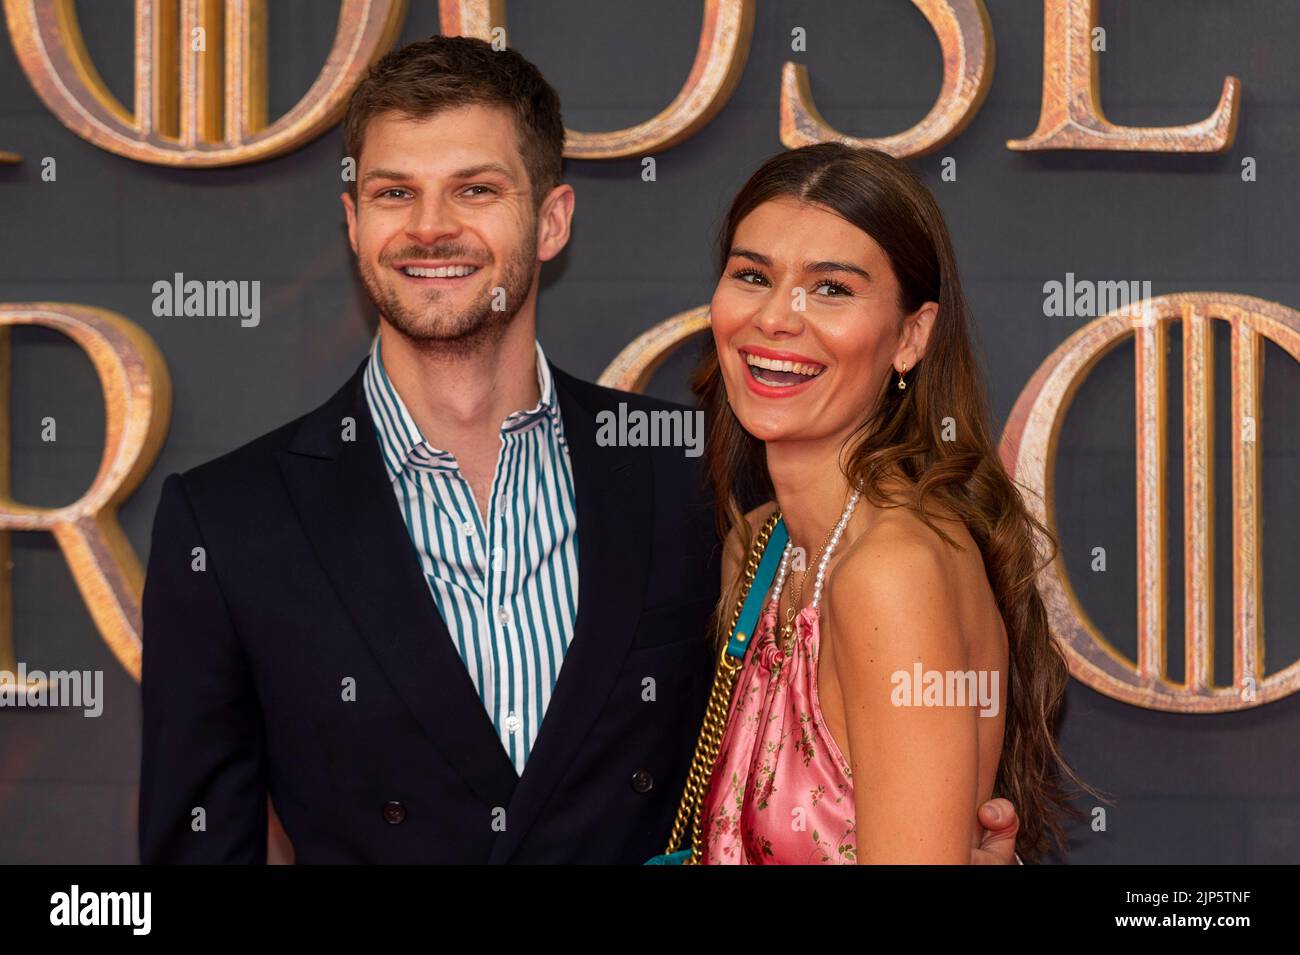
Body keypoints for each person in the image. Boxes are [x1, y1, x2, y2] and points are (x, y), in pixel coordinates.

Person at [138, 35, 1023, 863]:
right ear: (353, 220)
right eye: (393, 192)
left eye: (476, 189)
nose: (430, 227)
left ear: (552, 220)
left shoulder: (696, 477)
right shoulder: (231, 523)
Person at [690, 143, 1091, 863]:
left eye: (833, 288)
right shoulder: (760, 547)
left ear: (910, 337)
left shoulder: (892, 571)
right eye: (753, 275)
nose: (778, 317)